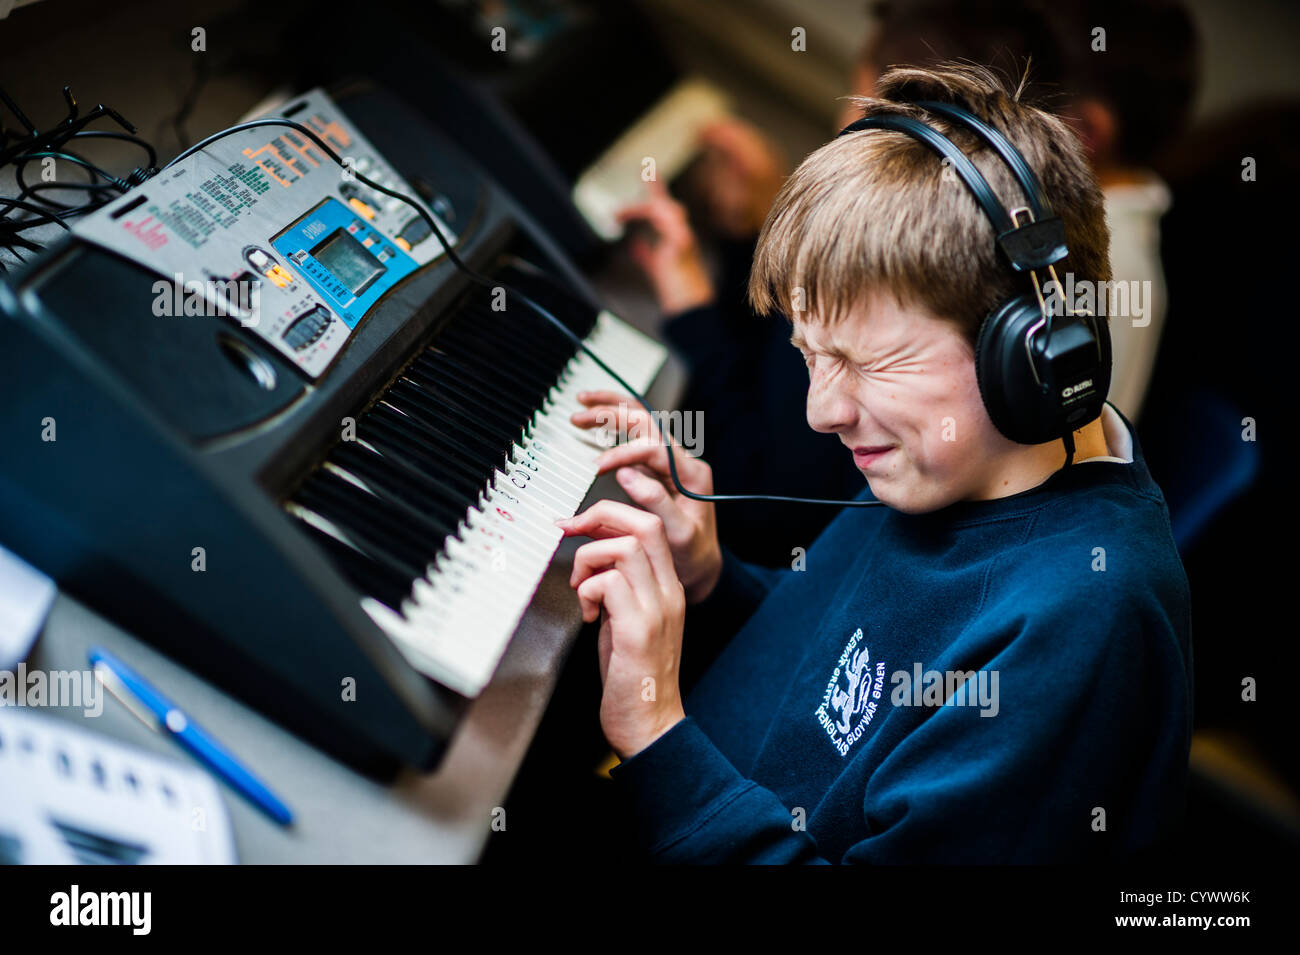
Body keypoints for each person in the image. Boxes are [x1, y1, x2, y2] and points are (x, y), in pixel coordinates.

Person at [556, 62, 1193, 863]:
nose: (824, 412)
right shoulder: (948, 458)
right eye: (809, 356)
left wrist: (654, 736)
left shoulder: (1083, 630)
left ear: (1032, 347)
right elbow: (838, 692)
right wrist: (712, 579)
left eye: (864, 362)